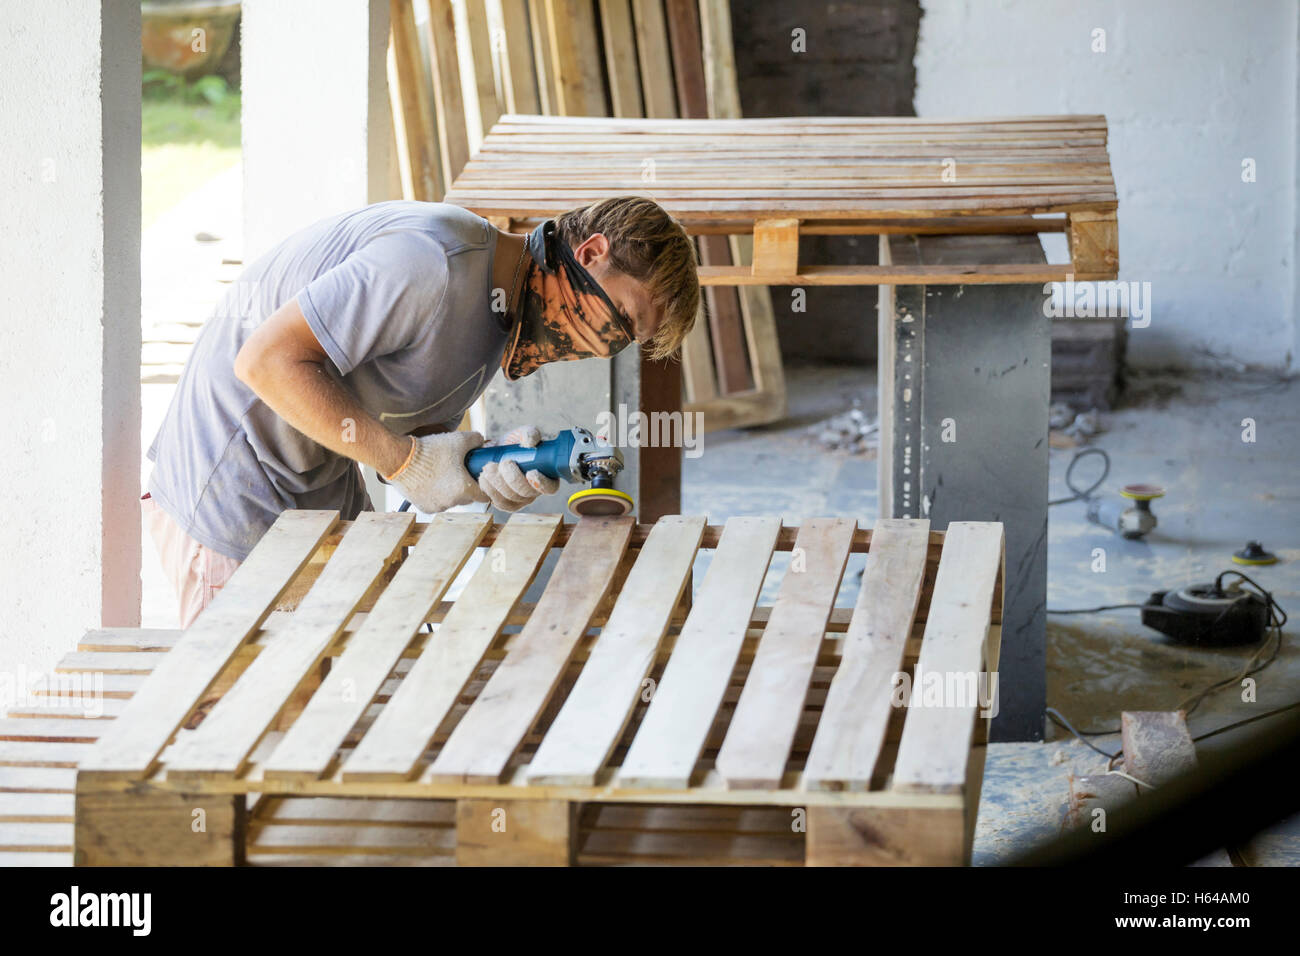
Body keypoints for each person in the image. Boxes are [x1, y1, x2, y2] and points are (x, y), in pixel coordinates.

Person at [143, 196, 700, 626]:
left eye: (625, 341)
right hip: (228, 484)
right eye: (620, 319)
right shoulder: (432, 263)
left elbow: (418, 435)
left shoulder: (502, 312)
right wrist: (407, 463)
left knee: (359, 663)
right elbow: (265, 362)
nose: (604, 347)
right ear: (591, 254)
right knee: (235, 712)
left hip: (312, 476)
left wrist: (478, 468)